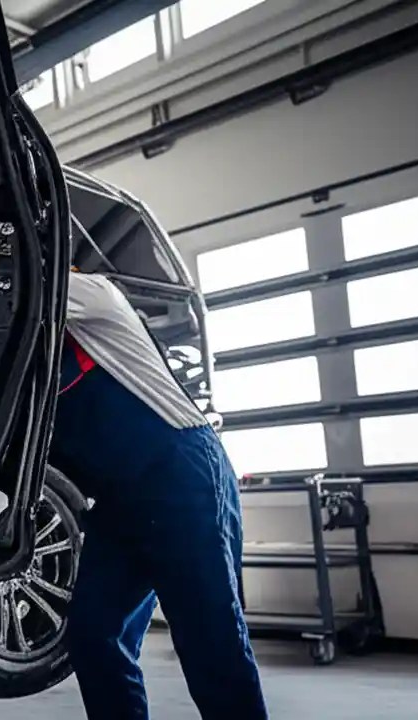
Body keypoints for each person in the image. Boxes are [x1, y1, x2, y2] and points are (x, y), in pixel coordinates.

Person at [49, 271, 267, 719]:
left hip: (179, 471)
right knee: (94, 635)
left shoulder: (93, 294)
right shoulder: (32, 362)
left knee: (210, 639)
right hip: (118, 498)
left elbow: (30, 286)